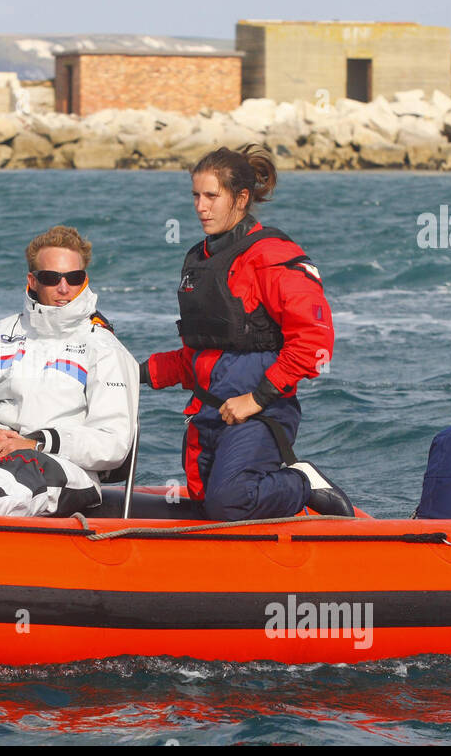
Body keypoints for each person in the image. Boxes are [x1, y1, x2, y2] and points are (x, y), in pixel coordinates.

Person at [140, 145, 352, 521]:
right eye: (195, 195)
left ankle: (301, 482)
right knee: (208, 504)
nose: (200, 207)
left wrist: (256, 398)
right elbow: (201, 356)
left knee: (230, 501)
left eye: (211, 196)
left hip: (260, 411)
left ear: (241, 198)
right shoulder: (201, 259)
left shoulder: (272, 256)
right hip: (210, 409)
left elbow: (315, 342)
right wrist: (136, 372)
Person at [0, 226, 139, 516]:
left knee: (33, 468)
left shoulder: (105, 349)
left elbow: (113, 442)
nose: (63, 288)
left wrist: (35, 442)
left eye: (74, 278)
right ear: (32, 281)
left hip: (65, 465)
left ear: (84, 280)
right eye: (51, 278)